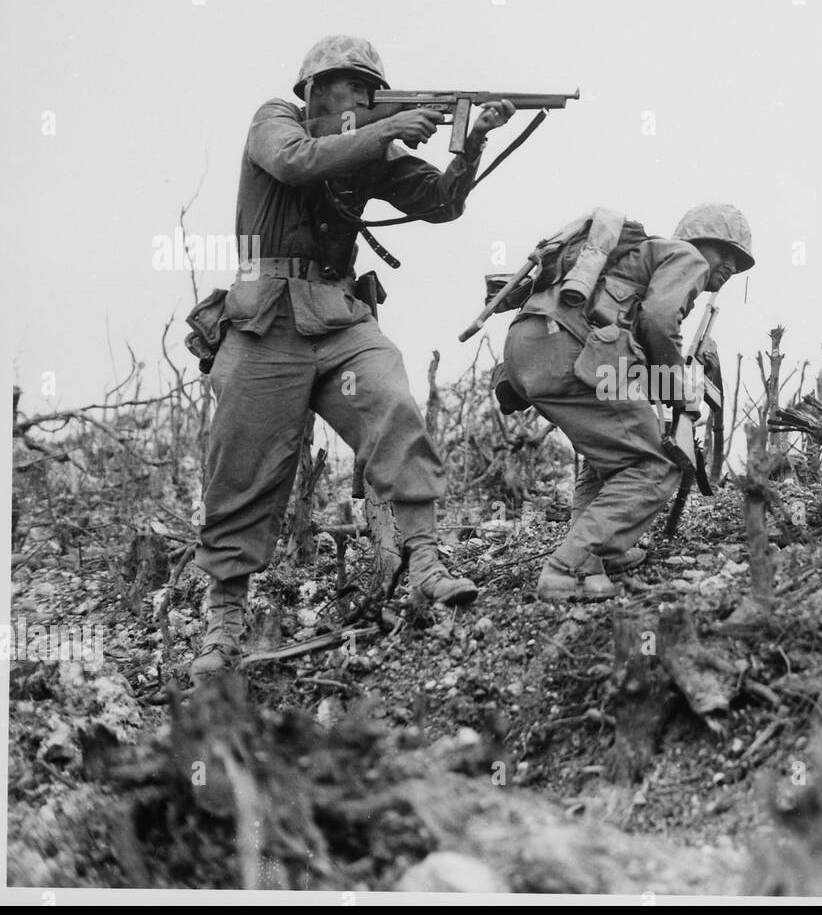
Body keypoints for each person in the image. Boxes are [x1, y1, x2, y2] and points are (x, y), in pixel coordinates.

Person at [189, 35, 515, 680]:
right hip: (265, 324)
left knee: (392, 403)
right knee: (243, 467)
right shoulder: (275, 119)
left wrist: (472, 138)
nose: (365, 96)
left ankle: (423, 557)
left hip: (339, 318)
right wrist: (389, 127)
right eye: (351, 85)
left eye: (373, 87)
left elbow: (440, 203)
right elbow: (294, 161)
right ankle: (223, 622)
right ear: (313, 89)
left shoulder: (373, 147)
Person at [501, 203, 754, 601]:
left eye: (739, 264)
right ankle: (568, 566)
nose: (730, 269)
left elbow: (634, 337)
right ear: (701, 242)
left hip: (528, 347)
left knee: (612, 455)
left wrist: (657, 383)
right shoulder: (685, 257)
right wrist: (676, 390)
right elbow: (658, 320)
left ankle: (596, 559)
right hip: (568, 348)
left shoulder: (640, 262)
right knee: (655, 463)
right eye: (728, 254)